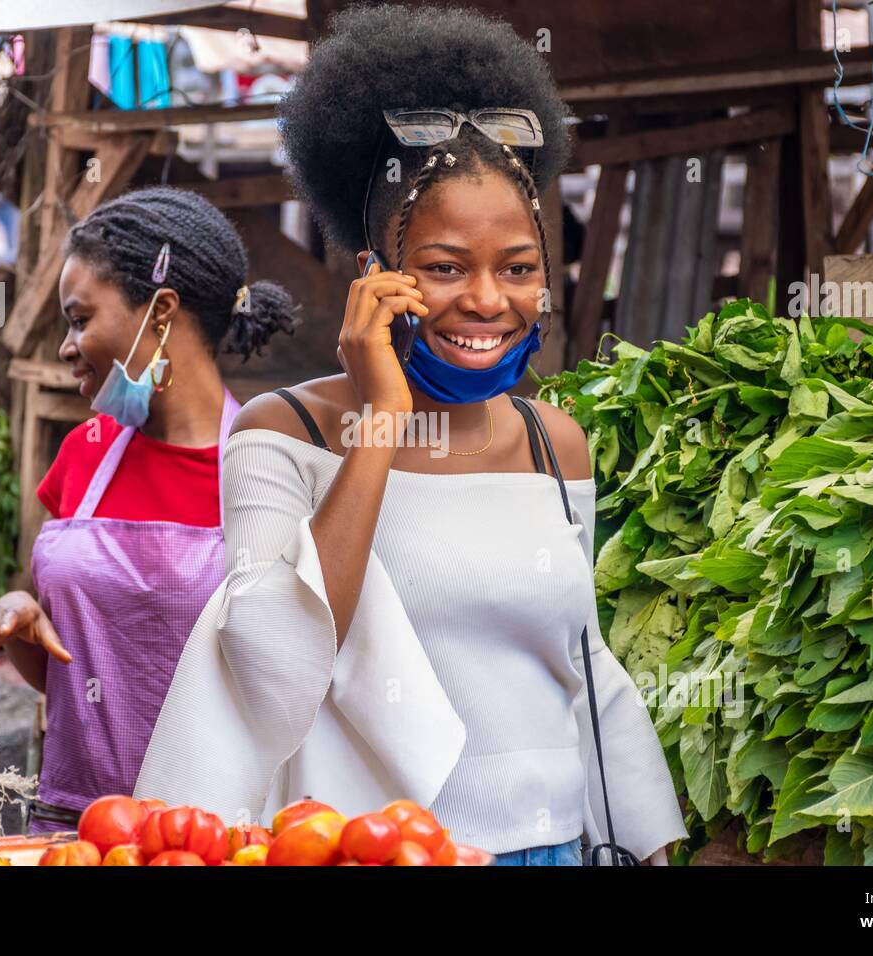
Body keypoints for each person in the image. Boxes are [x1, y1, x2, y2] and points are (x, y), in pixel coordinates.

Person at [136, 5, 687, 865]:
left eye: (518, 267)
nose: (486, 299)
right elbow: (273, 665)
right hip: (380, 851)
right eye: (442, 267)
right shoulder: (285, 436)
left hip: (558, 849)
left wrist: (650, 846)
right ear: (376, 277)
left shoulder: (557, 444)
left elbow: (582, 668)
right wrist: (381, 417)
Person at [0, 186, 297, 833]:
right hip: (68, 831)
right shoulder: (82, 457)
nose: (65, 346)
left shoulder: (267, 472)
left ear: (161, 313)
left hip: (212, 838)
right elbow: (74, 669)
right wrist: (24, 621)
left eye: (79, 318)